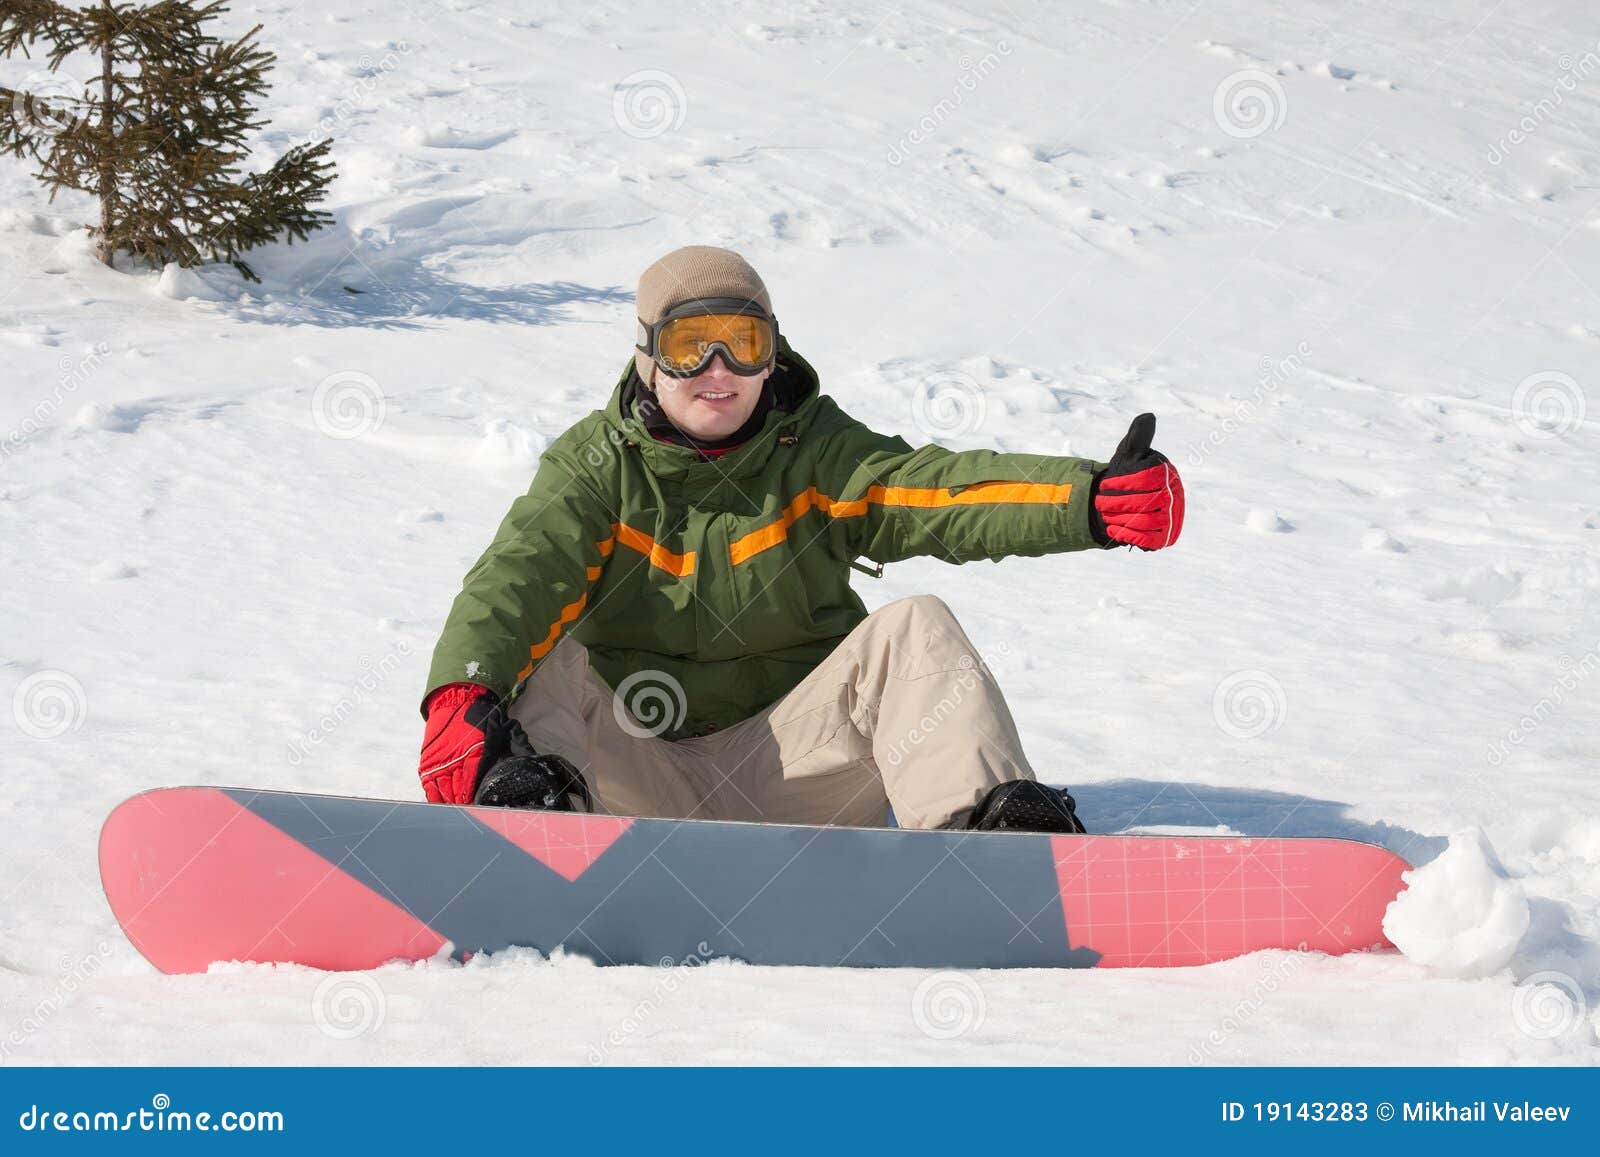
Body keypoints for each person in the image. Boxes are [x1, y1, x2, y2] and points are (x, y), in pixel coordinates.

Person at [416, 245, 1184, 832]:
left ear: (772, 353)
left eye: (743, 341)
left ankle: (989, 851)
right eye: (690, 345)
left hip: (798, 774)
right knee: (540, 656)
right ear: (648, 357)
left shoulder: (815, 449)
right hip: (634, 781)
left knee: (916, 625)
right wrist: (462, 690)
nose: (718, 370)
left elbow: (937, 491)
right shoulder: (596, 466)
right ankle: (534, 839)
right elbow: (523, 569)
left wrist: (1088, 500)